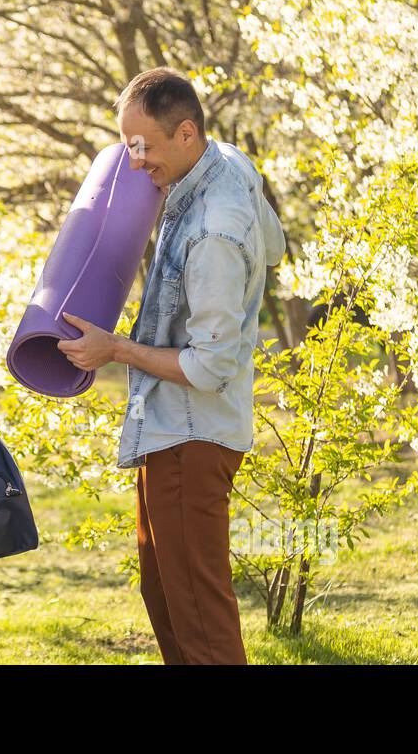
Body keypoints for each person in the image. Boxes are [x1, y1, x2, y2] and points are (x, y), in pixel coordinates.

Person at [57, 67, 285, 664]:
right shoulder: (226, 162)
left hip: (193, 436)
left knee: (199, 618)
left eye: (144, 147)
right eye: (127, 144)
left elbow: (211, 367)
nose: (133, 163)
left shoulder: (215, 229)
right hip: (168, 432)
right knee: (164, 595)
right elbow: (278, 244)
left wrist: (115, 349)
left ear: (186, 133)